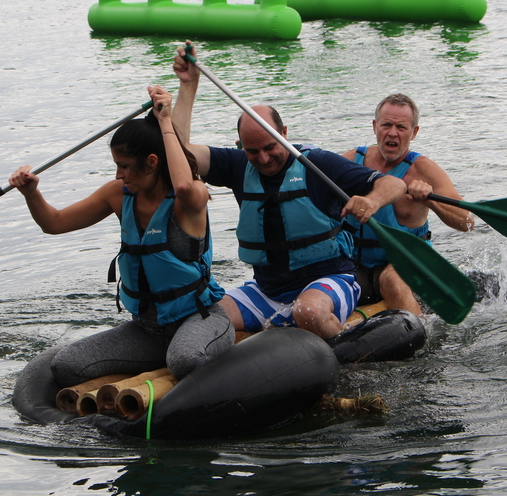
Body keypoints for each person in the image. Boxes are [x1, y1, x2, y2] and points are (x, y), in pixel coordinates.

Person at [171, 44, 408, 340]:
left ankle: (344, 358)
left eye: (270, 147)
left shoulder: (316, 163)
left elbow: (395, 184)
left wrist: (371, 200)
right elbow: (177, 153)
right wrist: (188, 85)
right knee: (204, 320)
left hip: (330, 281)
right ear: (240, 144)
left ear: (284, 134)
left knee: (307, 312)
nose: (264, 158)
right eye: (253, 151)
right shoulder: (236, 164)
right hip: (266, 290)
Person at [8, 84, 233, 387]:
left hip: (200, 320)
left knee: (185, 359)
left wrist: (165, 120)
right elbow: (55, 223)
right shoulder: (118, 195)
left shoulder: (189, 200)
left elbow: (182, 185)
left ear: (151, 163)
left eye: (124, 166)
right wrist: (31, 193)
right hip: (148, 330)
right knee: (67, 365)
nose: (118, 175)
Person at [341, 93, 474, 315]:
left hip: (405, 261)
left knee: (391, 280)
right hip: (356, 264)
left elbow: (467, 222)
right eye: (386, 125)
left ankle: (421, 334)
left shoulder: (423, 170)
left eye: (401, 127)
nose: (392, 133)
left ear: (414, 132)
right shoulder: (349, 162)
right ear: (375, 127)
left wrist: (431, 201)